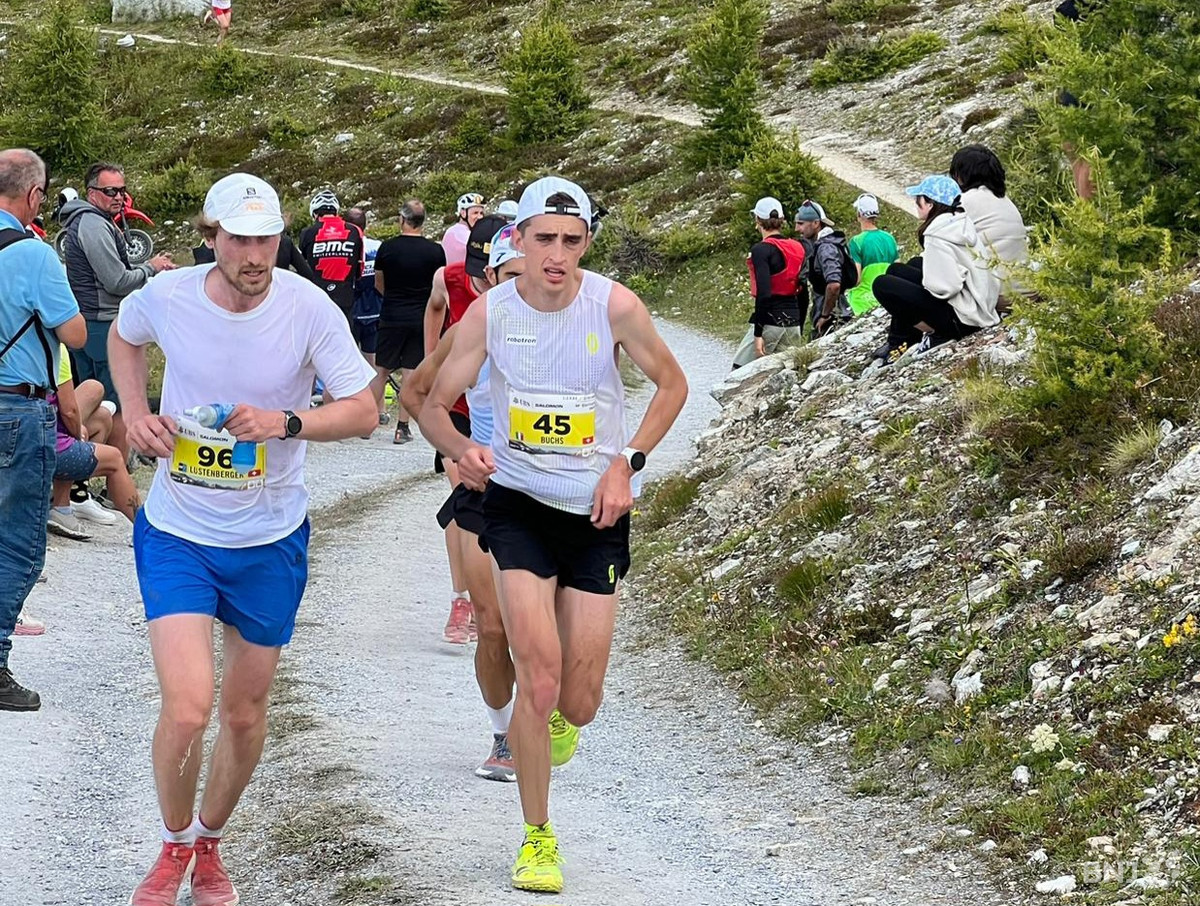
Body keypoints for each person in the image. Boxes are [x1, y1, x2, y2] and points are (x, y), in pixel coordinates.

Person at [109, 172, 377, 905]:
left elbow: (363, 411)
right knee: (190, 706)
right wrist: (135, 415)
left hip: (270, 536)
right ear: (211, 237)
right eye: (239, 240)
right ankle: (171, 848)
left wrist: (286, 423)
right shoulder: (167, 296)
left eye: (265, 239)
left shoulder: (308, 307)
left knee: (245, 712)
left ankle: (211, 844)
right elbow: (124, 336)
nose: (255, 255)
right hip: (180, 531)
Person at [419, 176, 688, 894]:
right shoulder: (492, 314)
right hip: (517, 506)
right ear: (521, 240)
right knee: (537, 679)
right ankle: (538, 838)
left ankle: (561, 722)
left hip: (596, 511)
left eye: (572, 241)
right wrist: (459, 449)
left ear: (587, 244)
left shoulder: (615, 305)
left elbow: (672, 385)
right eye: (544, 239)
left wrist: (626, 465)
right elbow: (434, 401)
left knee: (580, 699)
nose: (557, 255)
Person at [402, 223, 525, 780]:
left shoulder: (581, 327)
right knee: (494, 626)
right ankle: (504, 734)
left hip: (556, 497)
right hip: (487, 492)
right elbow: (414, 393)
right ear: (488, 278)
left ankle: (548, 711)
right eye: (511, 275)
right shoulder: (473, 329)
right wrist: (460, 449)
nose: (526, 286)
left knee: (545, 629)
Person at [0, 148, 87, 711]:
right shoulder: (33, 254)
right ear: (34, 197)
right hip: (17, 409)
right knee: (17, 543)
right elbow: (75, 334)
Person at [423, 213, 508, 643]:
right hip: (456, 402)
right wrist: (434, 359)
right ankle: (463, 599)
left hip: (499, 403)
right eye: (480, 278)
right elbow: (434, 309)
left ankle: (494, 593)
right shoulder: (448, 276)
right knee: (463, 492)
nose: (486, 288)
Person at [59, 161, 175, 461]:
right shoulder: (94, 225)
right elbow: (117, 281)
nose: (119, 197)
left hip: (89, 324)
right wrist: (151, 268)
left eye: (122, 190)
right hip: (103, 326)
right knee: (118, 402)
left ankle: (90, 468)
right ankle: (117, 472)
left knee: (97, 402)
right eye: (110, 190)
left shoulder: (86, 221)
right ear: (91, 192)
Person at [871, 175, 1000, 364]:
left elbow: (947, 287)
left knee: (882, 285)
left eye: (919, 199)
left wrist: (926, 284)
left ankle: (935, 334)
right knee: (900, 269)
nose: (916, 203)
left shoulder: (937, 235)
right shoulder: (959, 222)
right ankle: (899, 339)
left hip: (964, 320)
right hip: (980, 305)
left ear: (931, 204)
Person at [374, 199, 445, 444]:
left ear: (402, 220)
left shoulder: (387, 247)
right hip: (420, 316)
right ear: (422, 222)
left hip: (391, 313)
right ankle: (402, 428)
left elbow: (378, 282)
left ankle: (368, 420)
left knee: (380, 370)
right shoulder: (435, 251)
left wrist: (392, 297)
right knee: (410, 373)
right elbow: (440, 285)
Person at [731, 196, 807, 369]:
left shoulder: (761, 250)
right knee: (781, 376)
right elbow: (803, 291)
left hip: (770, 322)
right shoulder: (798, 247)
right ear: (781, 220)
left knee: (737, 374)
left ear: (758, 220)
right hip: (793, 322)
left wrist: (758, 334)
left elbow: (764, 293)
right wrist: (798, 325)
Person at [949, 145, 1030, 300]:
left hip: (998, 291)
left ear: (961, 175)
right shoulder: (1005, 201)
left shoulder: (967, 201)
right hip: (1023, 284)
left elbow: (941, 241)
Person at [344, 207, 387, 425]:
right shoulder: (378, 247)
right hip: (376, 309)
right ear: (365, 225)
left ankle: (352, 412)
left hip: (353, 310)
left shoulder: (346, 246)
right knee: (373, 363)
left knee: (350, 364)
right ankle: (379, 410)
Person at [300, 190, 364, 326]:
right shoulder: (354, 231)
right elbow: (360, 267)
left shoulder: (307, 233)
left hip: (317, 297)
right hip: (345, 296)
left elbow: (302, 265)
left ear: (315, 213)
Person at [794, 200, 854, 337]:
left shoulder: (826, 248)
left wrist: (825, 315)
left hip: (834, 318)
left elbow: (834, 285)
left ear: (816, 223)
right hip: (838, 311)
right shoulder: (828, 244)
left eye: (801, 223)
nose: (797, 229)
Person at [193, 228, 317, 283]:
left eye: (264, 239)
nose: (255, 260)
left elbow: (201, 279)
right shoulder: (285, 241)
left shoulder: (218, 242)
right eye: (239, 239)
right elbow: (307, 274)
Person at [845, 193, 899, 316]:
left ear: (859, 214)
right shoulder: (889, 238)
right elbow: (897, 270)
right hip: (886, 298)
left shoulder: (856, 241)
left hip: (862, 301)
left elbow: (856, 279)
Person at [442, 192, 485, 267]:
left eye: (481, 213)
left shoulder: (451, 230)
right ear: (463, 213)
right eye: (475, 213)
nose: (479, 217)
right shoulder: (465, 235)